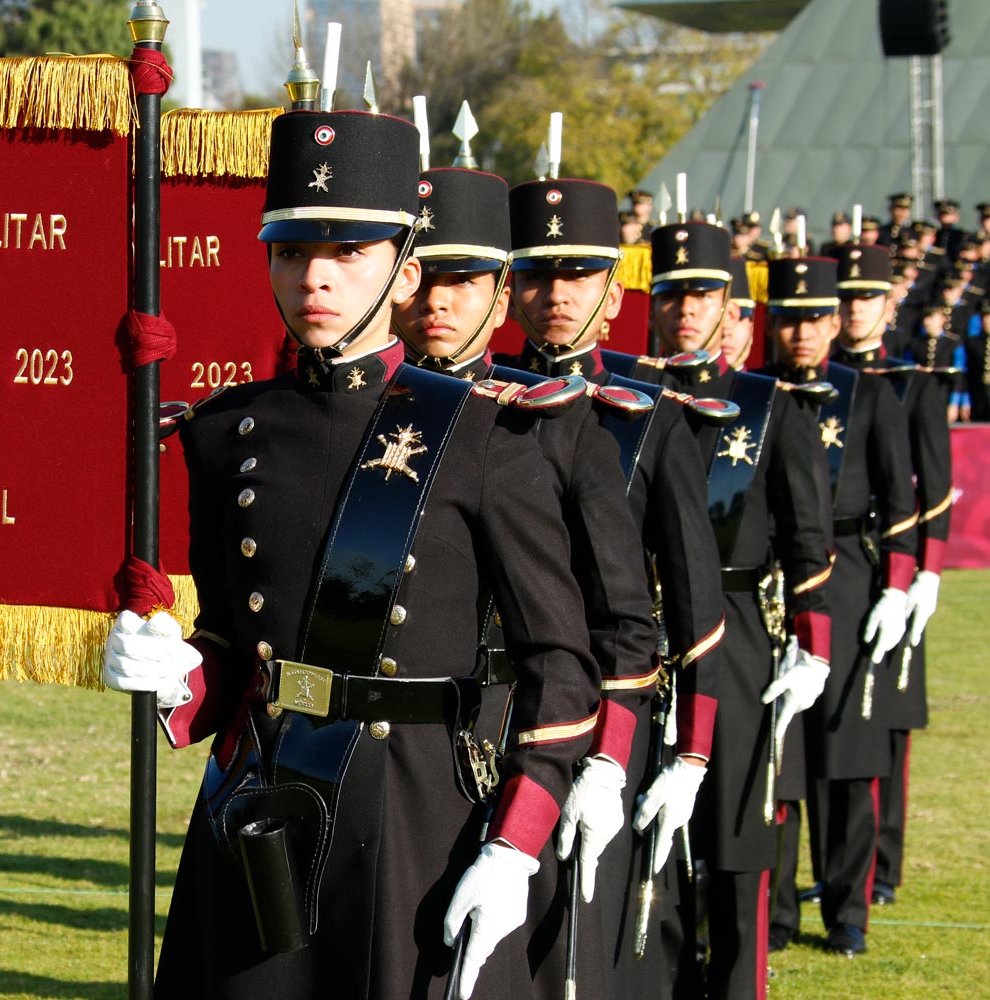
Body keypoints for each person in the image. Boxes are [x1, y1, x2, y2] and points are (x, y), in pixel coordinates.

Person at [105, 106, 601, 1000]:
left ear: (404, 272)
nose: (315, 279)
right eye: (292, 252)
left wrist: (516, 844)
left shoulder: (483, 433)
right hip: (265, 798)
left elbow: (561, 667)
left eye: (348, 255)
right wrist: (177, 673)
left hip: (419, 818)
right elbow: (235, 641)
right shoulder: (226, 432)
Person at [392, 165, 658, 1000]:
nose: (437, 300)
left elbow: (620, 618)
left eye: (460, 280)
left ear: (497, 296)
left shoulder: (552, 421)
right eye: (422, 277)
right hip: (406, 748)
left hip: (531, 735)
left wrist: (610, 759)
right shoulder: (376, 417)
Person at [494, 177, 728, 1000]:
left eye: (579, 276)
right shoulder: (481, 406)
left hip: (610, 729)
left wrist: (692, 752)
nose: (557, 295)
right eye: (538, 275)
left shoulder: (652, 418)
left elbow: (697, 604)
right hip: (494, 719)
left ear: (613, 288)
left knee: (592, 953)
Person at [641, 223, 834, 998]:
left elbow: (808, 535)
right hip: (642, 636)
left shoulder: (767, 404)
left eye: (702, 295)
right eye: (671, 294)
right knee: (649, 844)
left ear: (731, 307)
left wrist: (812, 648)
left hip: (740, 634)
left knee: (733, 841)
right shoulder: (632, 396)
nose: (685, 310)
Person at [762, 257, 917, 958]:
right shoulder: (754, 394)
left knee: (846, 760)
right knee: (783, 755)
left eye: (814, 318)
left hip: (851, 583)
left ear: (834, 322)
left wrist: (900, 584)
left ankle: (847, 910)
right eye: (788, 318)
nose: (802, 332)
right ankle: (780, 911)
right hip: (773, 591)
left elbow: (901, 500)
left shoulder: (867, 393)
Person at [824, 242, 951, 909]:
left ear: (889, 303)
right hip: (834, 569)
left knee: (884, 726)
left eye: (866, 297)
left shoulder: (911, 383)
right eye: (843, 298)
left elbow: (933, 486)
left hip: (887, 566)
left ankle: (882, 865)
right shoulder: (814, 376)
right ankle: (841, 863)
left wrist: (926, 572)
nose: (853, 310)